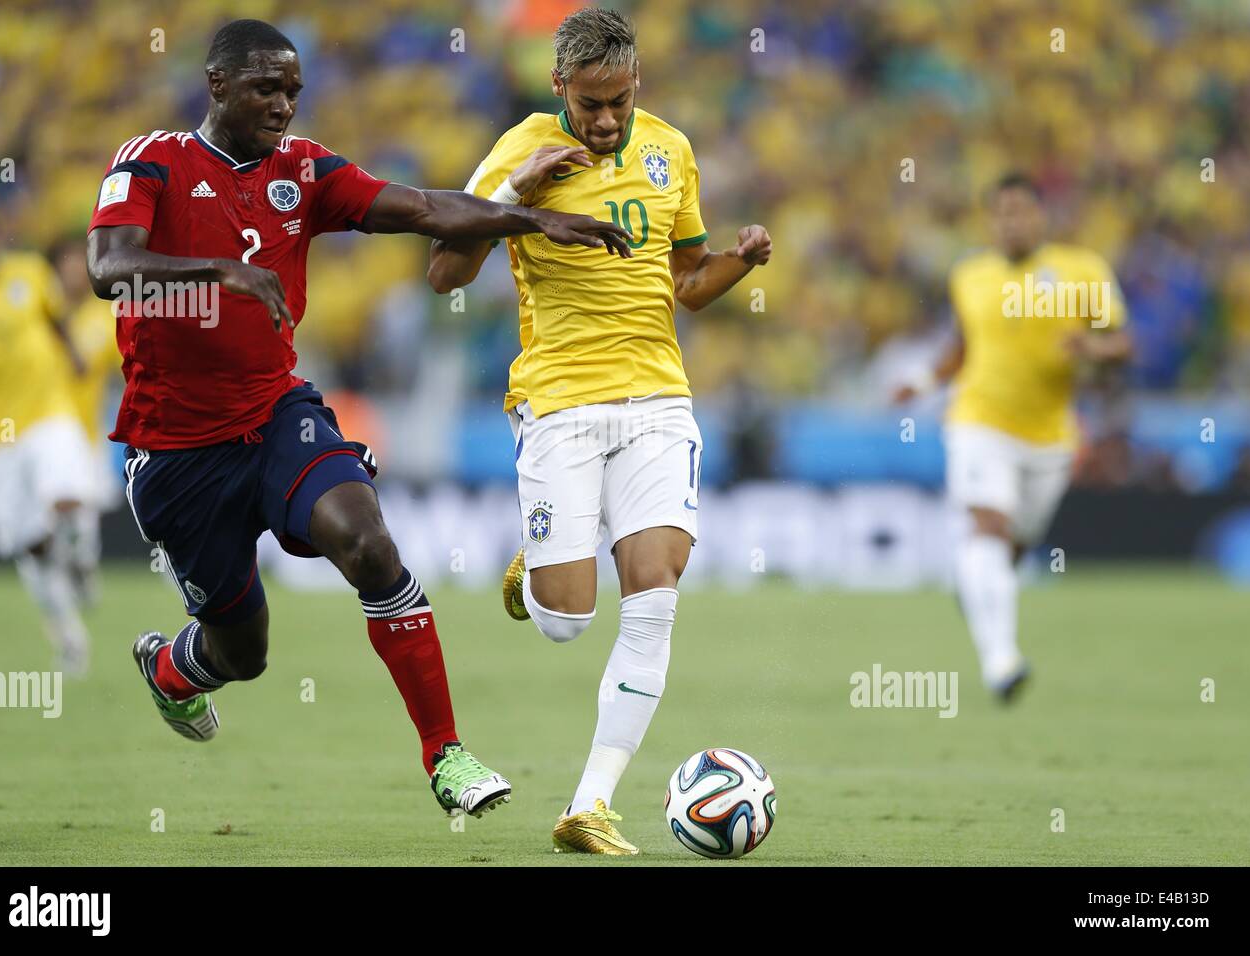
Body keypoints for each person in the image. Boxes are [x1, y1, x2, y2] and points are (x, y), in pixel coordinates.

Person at [85, 18, 631, 819]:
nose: (283, 105)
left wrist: (531, 219)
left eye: (294, 91)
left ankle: (447, 756)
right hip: (174, 453)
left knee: (369, 543)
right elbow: (110, 271)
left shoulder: (304, 171)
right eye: (267, 88)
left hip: (275, 415)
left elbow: (422, 209)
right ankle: (173, 670)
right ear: (217, 85)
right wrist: (220, 275)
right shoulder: (151, 161)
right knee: (245, 651)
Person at [427, 7, 772, 853]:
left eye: (620, 100)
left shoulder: (671, 150)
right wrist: (517, 198)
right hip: (559, 403)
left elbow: (686, 281)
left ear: (636, 83)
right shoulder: (519, 149)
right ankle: (540, 569)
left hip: (659, 399)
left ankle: (589, 805)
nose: (608, 120)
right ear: (558, 89)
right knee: (567, 621)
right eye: (591, 105)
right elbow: (442, 272)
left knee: (654, 595)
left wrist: (741, 260)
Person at [895, 173, 1131, 699]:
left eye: (1020, 211)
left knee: (1010, 550)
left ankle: (974, 586)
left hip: (1050, 436)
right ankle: (1001, 661)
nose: (1010, 222)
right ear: (990, 221)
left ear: (1041, 216)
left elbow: (1123, 344)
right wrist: (923, 381)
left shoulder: (1081, 270)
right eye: (1001, 213)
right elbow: (963, 346)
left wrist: (1096, 351)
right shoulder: (970, 274)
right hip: (978, 421)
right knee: (989, 526)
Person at [0, 192, 95, 674]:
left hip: (47, 412)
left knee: (68, 494)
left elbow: (55, 319)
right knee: (30, 546)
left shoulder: (29, 272)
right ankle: (68, 632)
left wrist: (74, 354)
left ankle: (81, 559)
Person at [50, 236, 123, 606]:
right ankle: (64, 577)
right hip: (42, 430)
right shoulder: (42, 316)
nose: (75, 273)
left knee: (81, 514)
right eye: (68, 266)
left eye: (81, 266)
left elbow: (127, 368)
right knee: (60, 510)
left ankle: (81, 568)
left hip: (86, 430)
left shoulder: (102, 319)